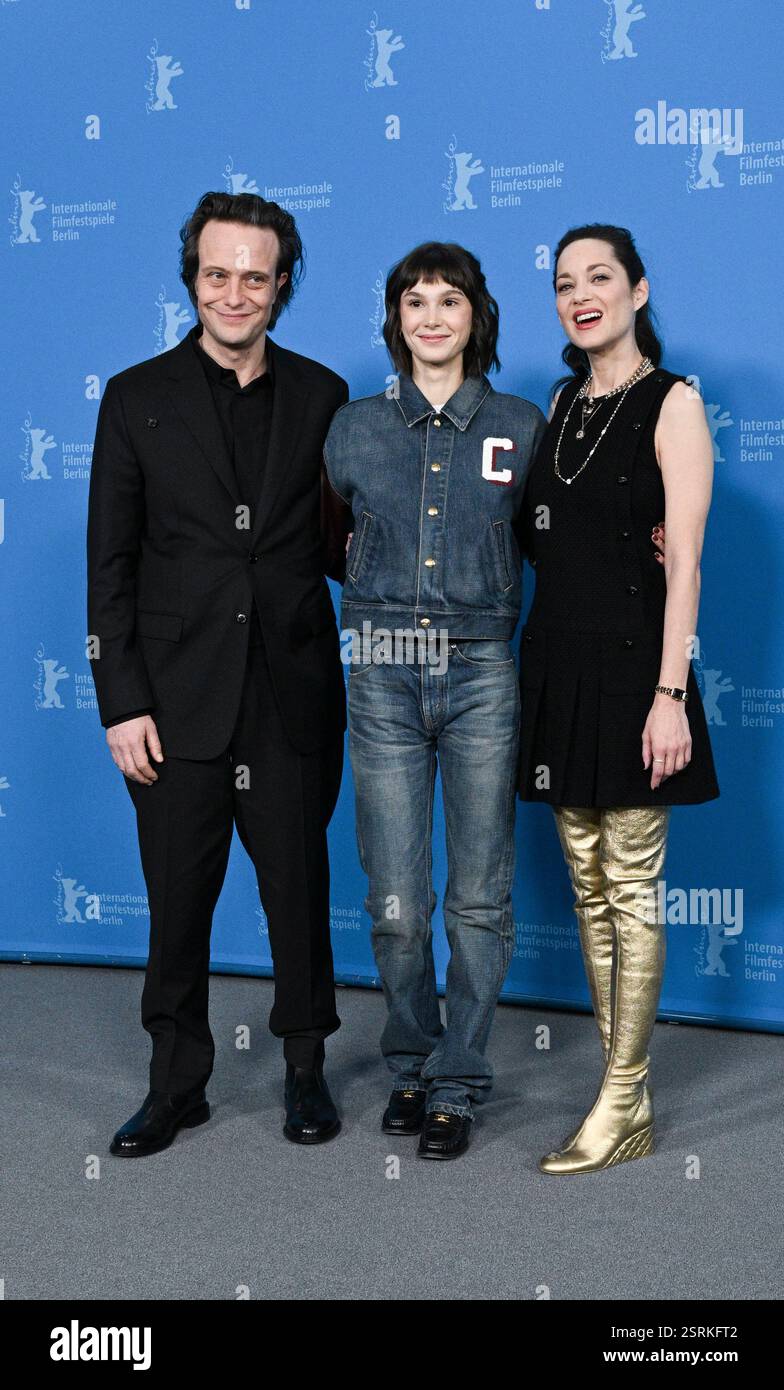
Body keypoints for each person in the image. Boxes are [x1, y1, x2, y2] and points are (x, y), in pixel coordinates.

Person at [87, 192, 352, 1155]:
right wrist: (122, 702)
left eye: (255, 275)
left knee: (299, 892)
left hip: (292, 694)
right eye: (216, 273)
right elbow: (108, 567)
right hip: (173, 700)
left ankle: (305, 1073)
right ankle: (175, 1086)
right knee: (178, 900)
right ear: (191, 277)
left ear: (283, 285)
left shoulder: (326, 398)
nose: (234, 292)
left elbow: (351, 543)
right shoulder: (134, 397)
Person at [323, 242, 546, 1159]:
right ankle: (411, 1060)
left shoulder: (522, 424)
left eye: (449, 299)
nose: (431, 315)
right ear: (395, 318)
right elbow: (324, 541)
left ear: (475, 316)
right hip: (379, 666)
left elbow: (557, 546)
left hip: (483, 670)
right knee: (396, 899)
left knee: (480, 897)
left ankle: (459, 1080)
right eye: (414, 300)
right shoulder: (350, 427)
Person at [515, 223, 719, 1175]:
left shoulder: (673, 404)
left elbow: (684, 567)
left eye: (601, 277)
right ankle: (614, 1085)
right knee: (589, 884)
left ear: (640, 290)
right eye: (565, 282)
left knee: (631, 888)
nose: (581, 293)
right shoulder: (561, 402)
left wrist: (670, 693)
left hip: (641, 673)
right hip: (557, 667)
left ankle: (623, 1100)